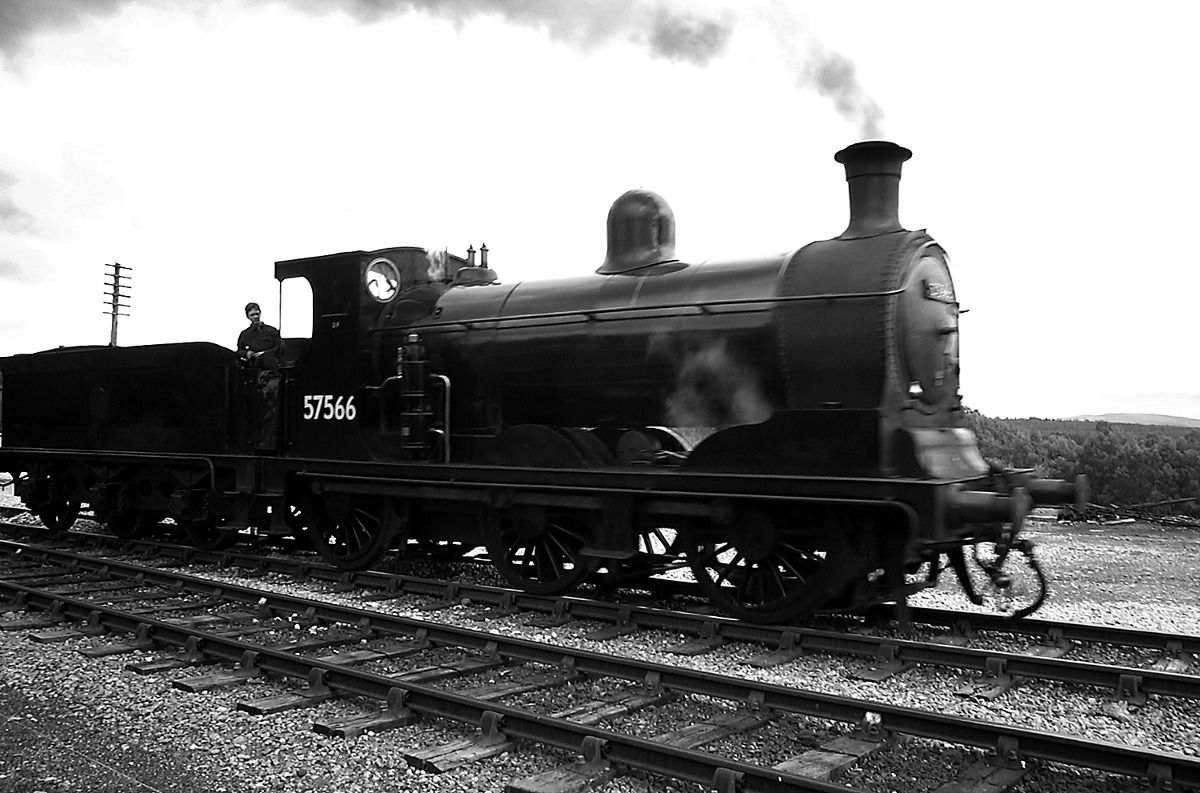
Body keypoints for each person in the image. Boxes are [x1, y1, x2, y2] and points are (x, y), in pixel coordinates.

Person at [237, 302, 284, 369]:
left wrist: (264, 353)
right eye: (252, 315)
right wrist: (248, 353)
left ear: (260, 313)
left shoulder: (272, 330)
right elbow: (240, 351)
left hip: (271, 362)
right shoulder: (245, 334)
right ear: (248, 316)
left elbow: (280, 346)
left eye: (257, 314)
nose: (255, 317)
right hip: (254, 364)